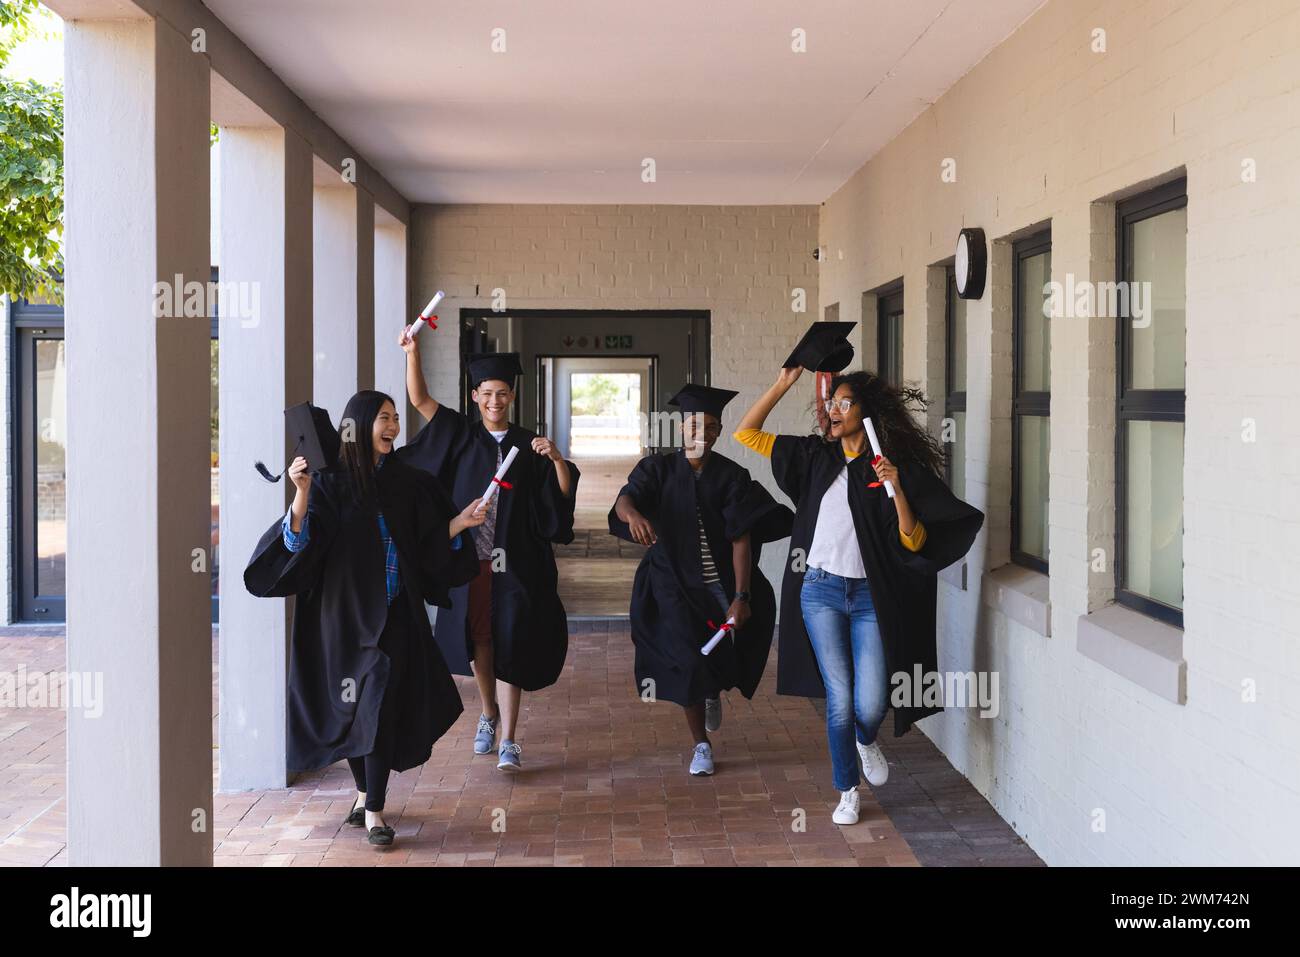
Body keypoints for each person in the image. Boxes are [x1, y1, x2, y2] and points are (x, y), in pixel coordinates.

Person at [734, 323, 983, 826]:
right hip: (820, 591)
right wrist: (785, 383)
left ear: (867, 413)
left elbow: (915, 541)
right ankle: (847, 790)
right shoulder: (813, 458)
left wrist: (898, 491)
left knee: (871, 703)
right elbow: (747, 433)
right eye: (833, 403)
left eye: (845, 403)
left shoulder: (891, 467)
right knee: (841, 699)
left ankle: (866, 741)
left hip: (871, 596)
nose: (834, 410)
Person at [244, 391, 484, 847]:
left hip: (394, 616)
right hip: (343, 620)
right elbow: (298, 545)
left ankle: (373, 810)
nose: (393, 426)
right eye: (383, 418)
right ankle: (362, 793)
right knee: (354, 711)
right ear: (358, 426)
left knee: (379, 706)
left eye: (395, 418)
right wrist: (300, 493)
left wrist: (459, 524)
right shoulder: (331, 483)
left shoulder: (407, 481)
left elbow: (422, 542)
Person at [397, 329, 580, 772]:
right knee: (480, 642)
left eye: (502, 393)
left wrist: (556, 459)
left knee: (511, 639)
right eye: (487, 394)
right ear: (475, 396)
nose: (494, 401)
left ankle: (511, 741)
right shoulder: (459, 434)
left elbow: (561, 497)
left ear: (512, 396)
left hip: (517, 562)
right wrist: (413, 352)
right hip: (471, 560)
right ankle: (488, 713)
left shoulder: (530, 444)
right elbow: (420, 400)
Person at [609, 384, 793, 776]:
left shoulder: (732, 475)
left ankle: (711, 690)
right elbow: (625, 499)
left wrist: (741, 595)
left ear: (718, 431)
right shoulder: (655, 469)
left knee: (720, 654)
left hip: (719, 584)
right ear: (680, 427)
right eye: (694, 424)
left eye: (710, 427)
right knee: (689, 659)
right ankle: (701, 746)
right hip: (670, 583)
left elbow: (741, 536)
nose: (701, 433)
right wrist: (634, 516)